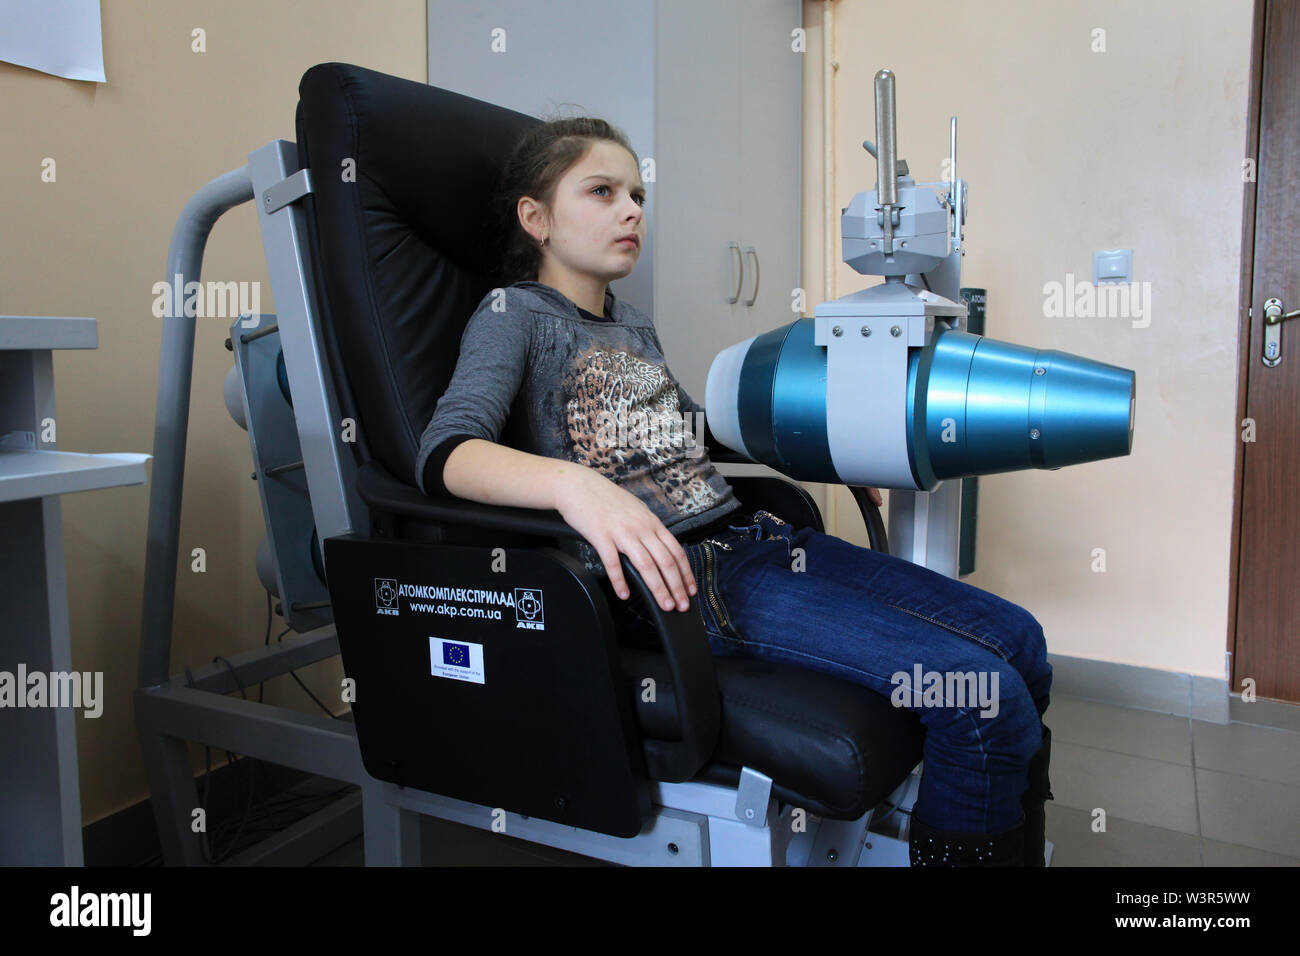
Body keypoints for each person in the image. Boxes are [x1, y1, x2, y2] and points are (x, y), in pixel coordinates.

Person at [415, 116, 1054, 867]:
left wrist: (827, 455)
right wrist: (576, 486)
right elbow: (448, 452)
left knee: (1022, 643)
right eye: (603, 191)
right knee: (978, 696)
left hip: (759, 542)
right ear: (537, 217)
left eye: (638, 195)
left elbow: (695, 432)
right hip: (687, 585)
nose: (632, 211)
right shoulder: (512, 314)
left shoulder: (632, 325)